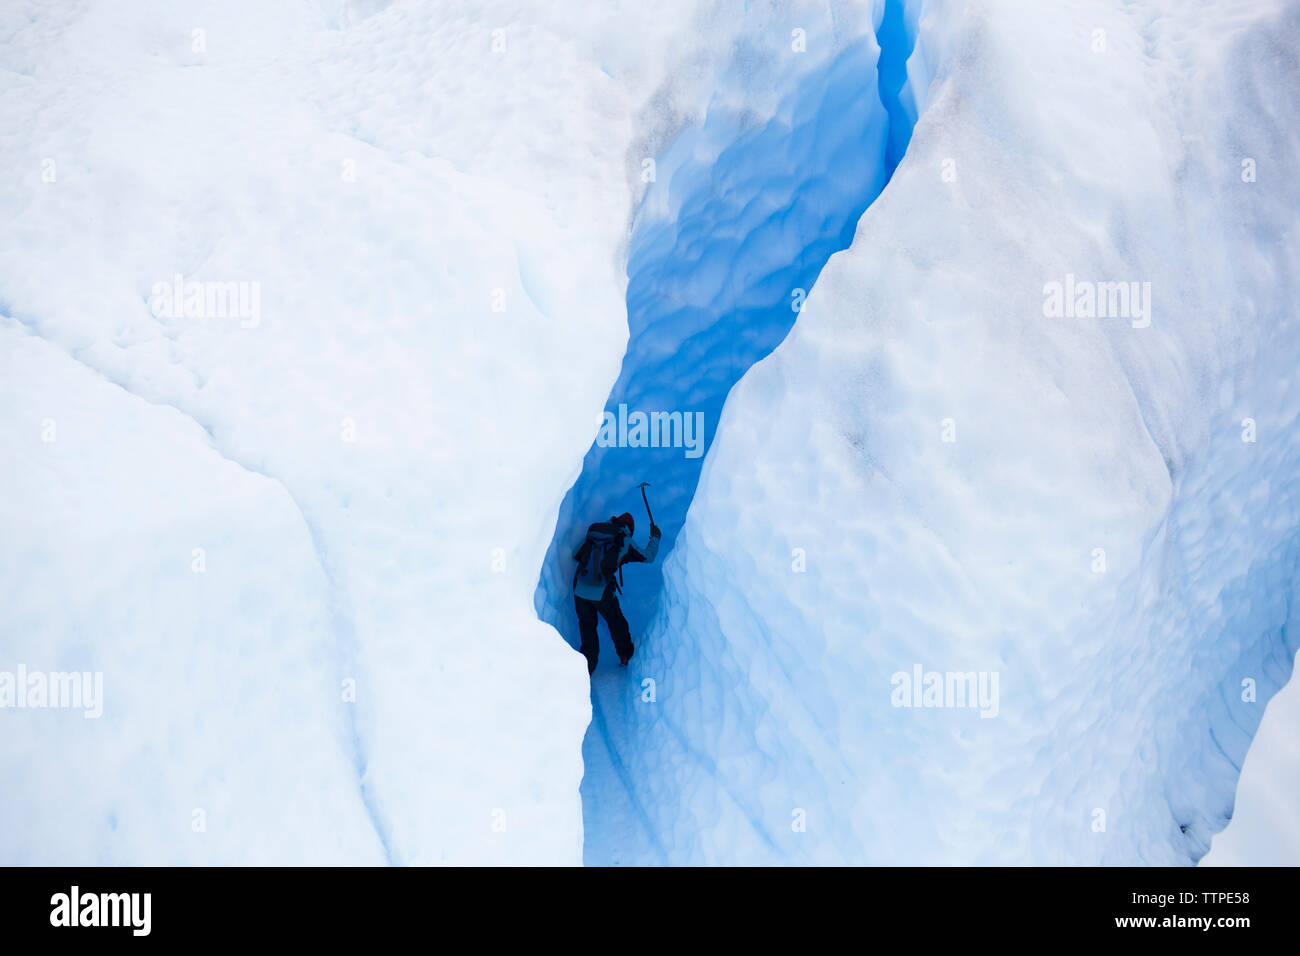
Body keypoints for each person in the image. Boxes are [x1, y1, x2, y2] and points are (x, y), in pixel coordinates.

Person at [572, 511, 660, 673]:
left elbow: (576, 554)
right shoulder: (623, 540)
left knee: (587, 628)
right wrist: (655, 537)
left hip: (579, 589)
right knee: (617, 623)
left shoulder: (595, 532)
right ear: (629, 529)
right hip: (601, 592)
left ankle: (586, 670)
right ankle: (626, 656)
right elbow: (648, 556)